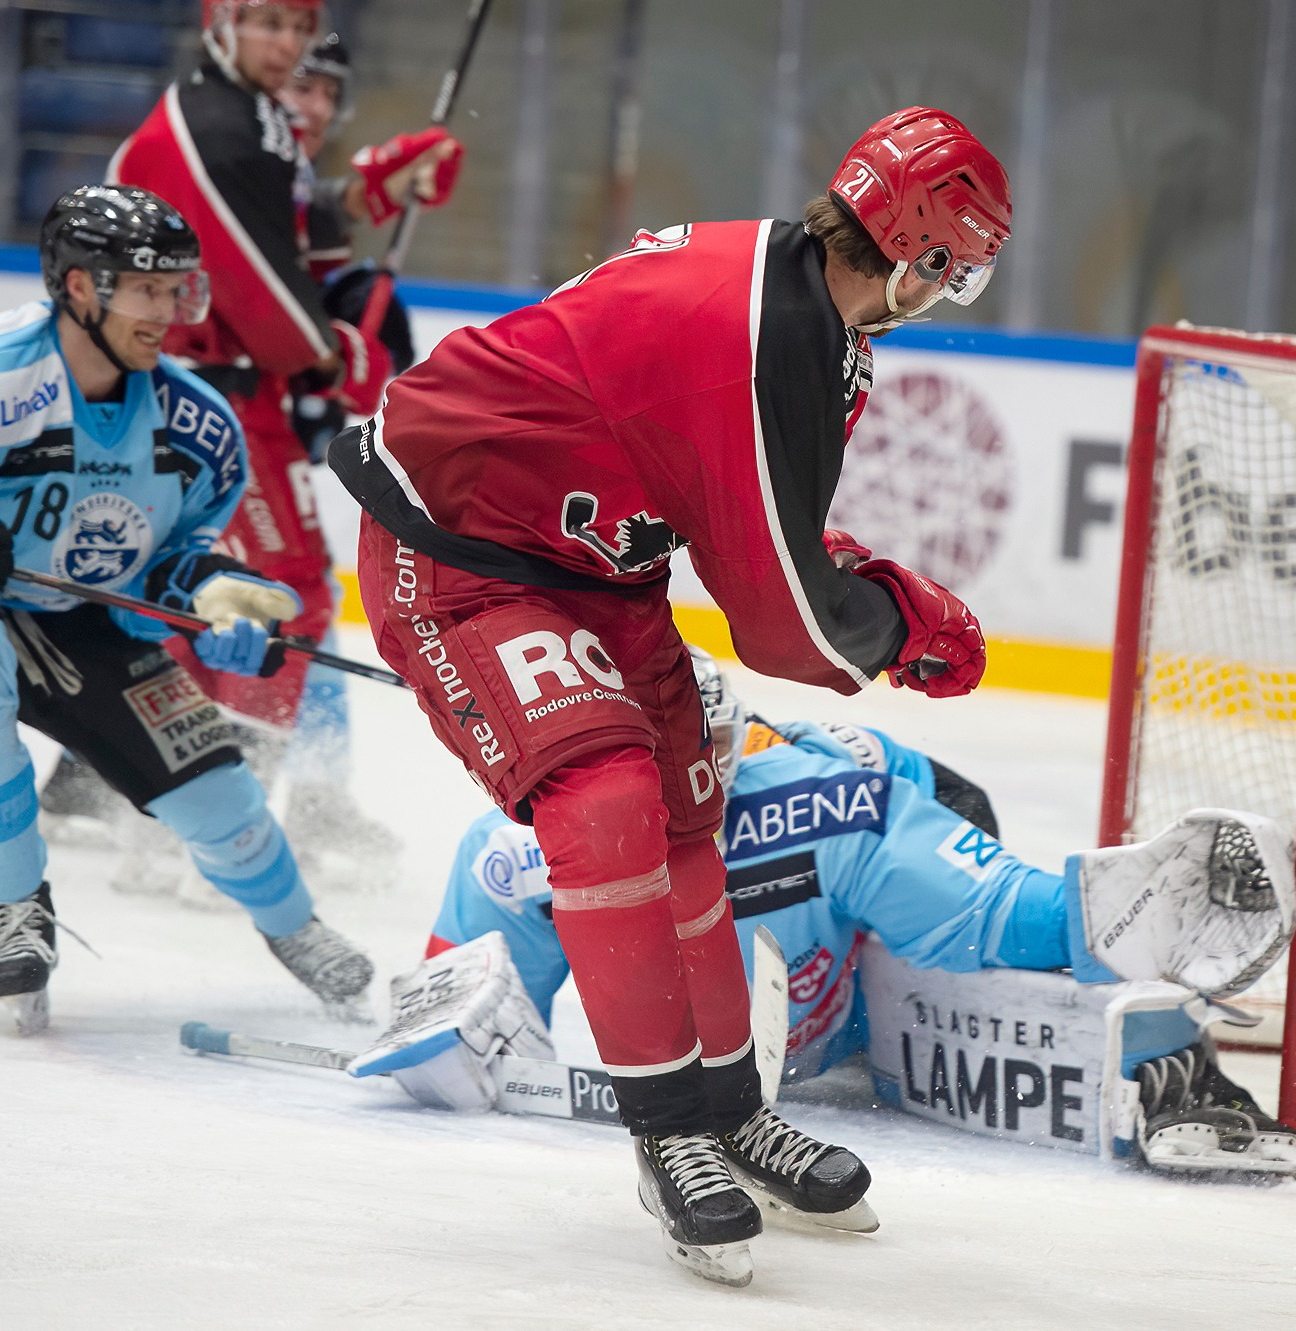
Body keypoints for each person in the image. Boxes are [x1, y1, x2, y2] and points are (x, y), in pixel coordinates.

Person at [327, 107, 1010, 1285]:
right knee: (604, 797)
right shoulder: (765, 330)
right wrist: (903, 622)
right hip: (459, 557)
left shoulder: (803, 324)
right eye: (960, 264)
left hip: (594, 565)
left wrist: (878, 595)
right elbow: (781, 620)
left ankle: (724, 1106)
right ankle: (665, 1128)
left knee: (689, 814)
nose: (954, 287)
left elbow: (745, 522)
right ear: (925, 250)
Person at [358, 648, 1296, 1176]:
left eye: (704, 767)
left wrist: (1144, 911)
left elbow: (1013, 911)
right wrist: (454, 1042)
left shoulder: (828, 806)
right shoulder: (511, 853)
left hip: (880, 926)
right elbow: (457, 1005)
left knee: (991, 939)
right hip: (797, 987)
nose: (680, 804)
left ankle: (1167, 1057)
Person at [0, 186, 374, 1034]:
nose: (169, 311)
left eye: (178, 289)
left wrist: (211, 599)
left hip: (55, 600)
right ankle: (21, 911)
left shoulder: (198, 427)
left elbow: (165, 560)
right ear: (81, 288)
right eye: (146, 289)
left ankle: (295, 927)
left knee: (212, 787)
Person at [101, 2, 459, 864]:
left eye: (303, 36)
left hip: (188, 390)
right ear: (220, 23)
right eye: (272, 29)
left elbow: (291, 221)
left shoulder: (241, 117)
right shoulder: (223, 126)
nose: (289, 51)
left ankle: (161, 821)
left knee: (202, 592)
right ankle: (228, 824)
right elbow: (266, 285)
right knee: (284, 589)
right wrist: (337, 354)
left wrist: (377, 184)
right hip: (211, 394)